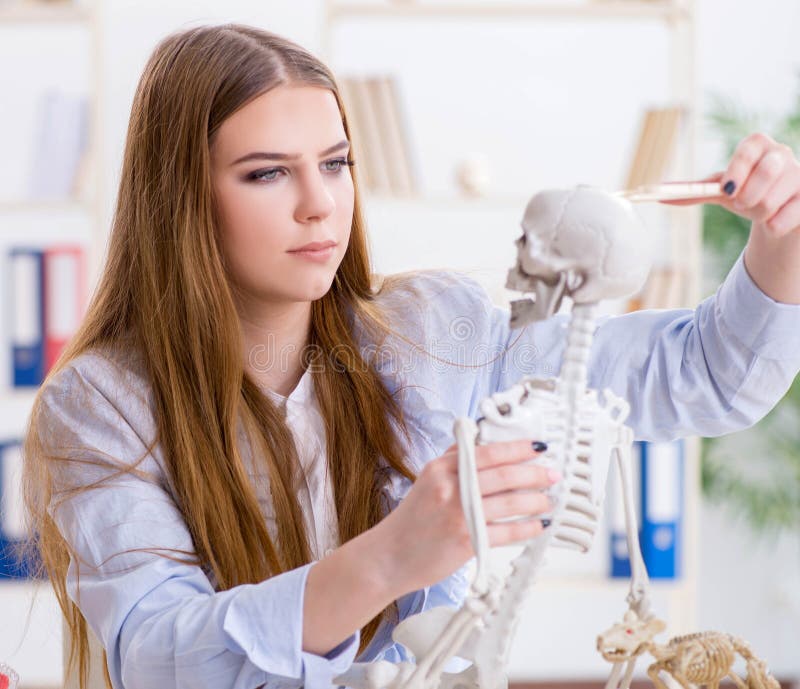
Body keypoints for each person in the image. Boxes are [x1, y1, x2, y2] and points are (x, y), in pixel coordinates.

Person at [20, 22, 800, 689]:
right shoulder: (98, 404)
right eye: (267, 173)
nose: (319, 202)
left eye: (335, 163)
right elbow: (163, 657)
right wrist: (389, 558)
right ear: (182, 198)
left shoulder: (435, 331)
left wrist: (784, 237)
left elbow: (707, 376)